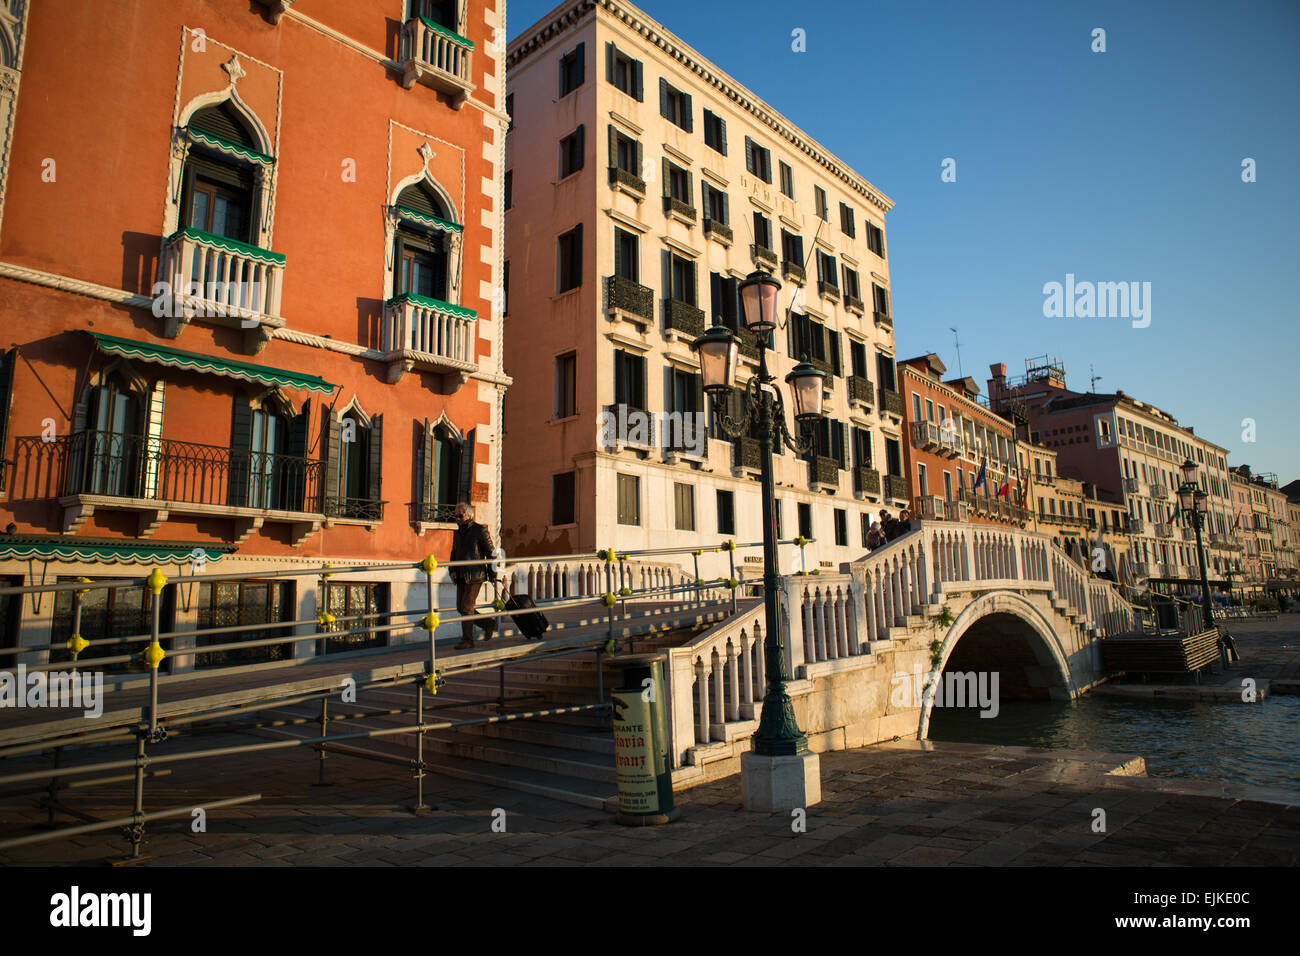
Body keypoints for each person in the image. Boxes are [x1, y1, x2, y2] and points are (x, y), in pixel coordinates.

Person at [450, 501, 498, 649]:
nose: (457, 518)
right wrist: (451, 570)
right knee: (461, 607)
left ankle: (467, 640)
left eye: (460, 515)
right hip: (461, 575)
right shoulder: (457, 533)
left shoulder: (479, 530)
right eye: (455, 516)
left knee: (466, 607)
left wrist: (492, 573)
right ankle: (488, 623)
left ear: (469, 515)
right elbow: (454, 552)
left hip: (475, 574)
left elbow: (492, 553)